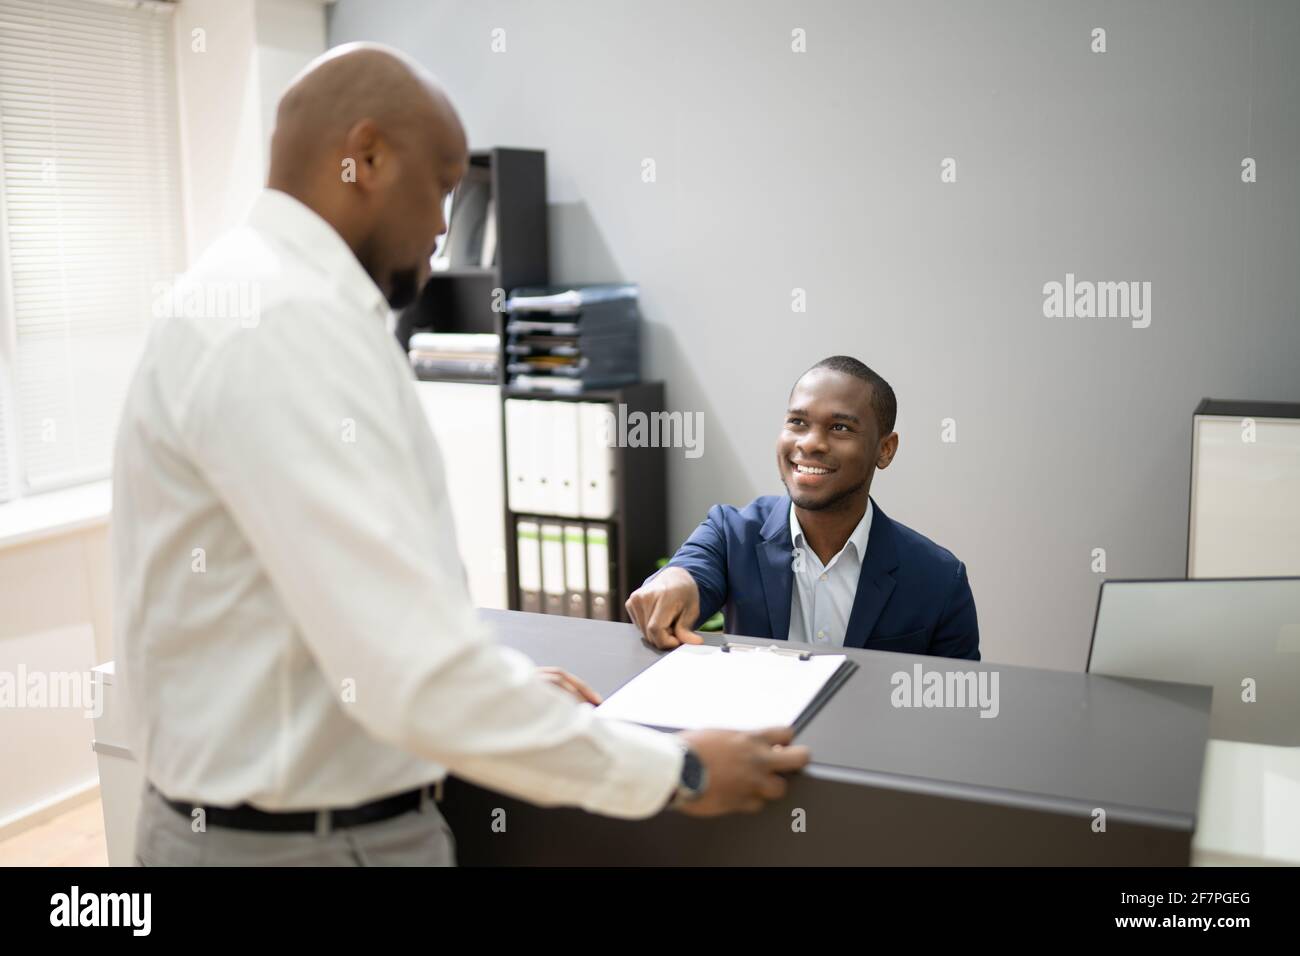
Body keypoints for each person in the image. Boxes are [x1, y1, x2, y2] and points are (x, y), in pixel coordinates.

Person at [112, 43, 807, 867]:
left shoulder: (249, 296)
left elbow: (328, 617)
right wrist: (679, 770)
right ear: (364, 157)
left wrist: (492, 696)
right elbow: (407, 672)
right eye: (442, 186)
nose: (444, 226)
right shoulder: (285, 325)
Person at [626, 356, 979, 660]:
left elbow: (954, 719)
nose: (810, 443)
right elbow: (693, 569)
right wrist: (674, 580)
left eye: (839, 427)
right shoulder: (731, 532)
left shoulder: (940, 580)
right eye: (797, 422)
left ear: (885, 450)